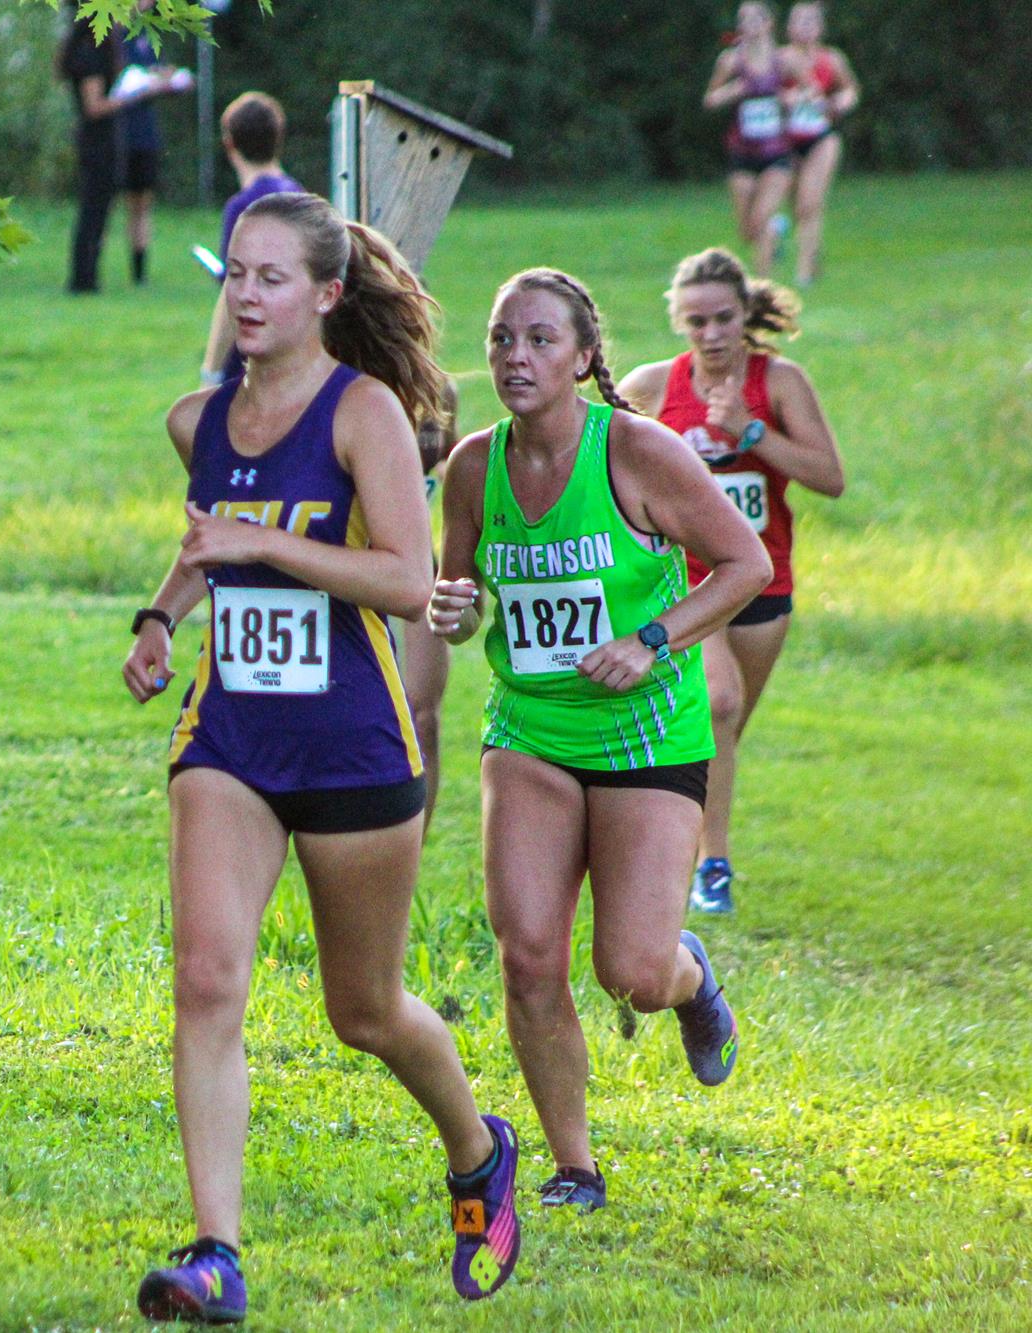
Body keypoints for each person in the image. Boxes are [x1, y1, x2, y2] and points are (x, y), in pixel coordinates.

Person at [122, 192, 522, 1319]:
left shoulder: (364, 417)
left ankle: (474, 1148)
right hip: (231, 736)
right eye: (234, 276)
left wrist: (265, 543)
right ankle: (215, 1253)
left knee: (365, 1011)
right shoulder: (196, 421)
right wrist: (159, 618)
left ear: (324, 295)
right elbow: (206, 540)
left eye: (269, 279)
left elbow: (403, 580)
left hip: (350, 742)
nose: (244, 297)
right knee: (204, 979)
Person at [427, 268, 770, 1214]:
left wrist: (651, 638)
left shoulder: (638, 452)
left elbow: (747, 564)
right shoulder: (472, 465)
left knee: (630, 971)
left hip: (646, 728)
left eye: (540, 339)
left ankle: (690, 978)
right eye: (501, 338)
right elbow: (456, 603)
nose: (515, 357)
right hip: (529, 728)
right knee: (529, 952)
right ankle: (573, 1166)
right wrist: (448, 608)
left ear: (583, 357)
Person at [617, 247, 843, 915]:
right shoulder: (653, 387)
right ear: (677, 322)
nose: (711, 335)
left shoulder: (779, 383)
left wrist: (751, 433)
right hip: (686, 577)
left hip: (761, 579)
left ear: (746, 313)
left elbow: (830, 476)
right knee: (716, 703)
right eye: (696, 322)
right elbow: (599, 453)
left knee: (723, 729)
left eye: (722, 319)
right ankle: (712, 867)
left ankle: (665, 842)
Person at [58, 13, 166, 295]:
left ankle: (89, 276)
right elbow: (93, 106)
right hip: (96, 142)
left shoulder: (99, 50)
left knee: (100, 209)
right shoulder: (90, 53)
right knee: (93, 210)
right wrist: (131, 95)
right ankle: (83, 278)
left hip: (106, 140)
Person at [200, 93, 302, 383]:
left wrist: (210, 372)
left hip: (250, 361)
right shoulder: (300, 195)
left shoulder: (244, 207)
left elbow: (233, 296)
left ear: (229, 144)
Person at [400, 378, 458, 828]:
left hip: (416, 569)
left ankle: (408, 871)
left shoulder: (438, 389)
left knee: (423, 721)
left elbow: (452, 461)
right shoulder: (337, 384)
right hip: (340, 562)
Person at [705, 3, 797, 279]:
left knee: (760, 219)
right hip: (742, 152)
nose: (750, 25)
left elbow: (810, 92)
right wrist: (733, 90)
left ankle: (760, 285)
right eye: (744, 19)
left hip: (777, 152)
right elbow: (710, 99)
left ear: (769, 24)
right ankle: (777, 229)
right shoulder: (731, 60)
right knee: (748, 231)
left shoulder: (784, 60)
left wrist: (791, 98)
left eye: (756, 19)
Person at [781, 1, 859, 287]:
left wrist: (840, 102)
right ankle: (812, 253)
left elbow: (850, 90)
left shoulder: (831, 59)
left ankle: (803, 274)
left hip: (820, 138)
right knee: (796, 205)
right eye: (799, 22)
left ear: (820, 28)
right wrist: (785, 99)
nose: (804, 28)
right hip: (786, 140)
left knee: (809, 203)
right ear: (788, 27)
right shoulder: (780, 59)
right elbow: (763, 89)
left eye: (810, 22)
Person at [117, 1, 187, 287]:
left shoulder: (146, 34)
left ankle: (139, 271)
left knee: (142, 202)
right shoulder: (113, 33)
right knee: (120, 200)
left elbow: (151, 72)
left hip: (145, 131)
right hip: (122, 129)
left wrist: (166, 78)